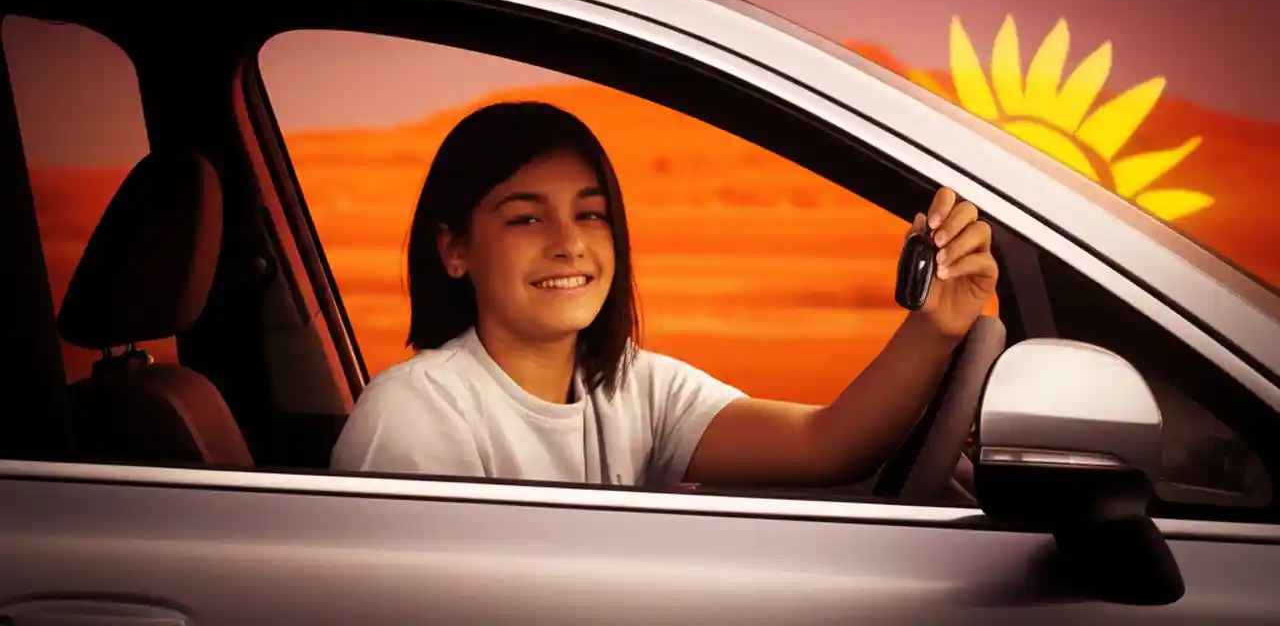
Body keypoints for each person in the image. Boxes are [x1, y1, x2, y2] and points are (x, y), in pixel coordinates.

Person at [330, 101, 998, 489]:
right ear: (455, 250)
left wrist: (935, 326)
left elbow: (828, 445)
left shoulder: (635, 389)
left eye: (590, 214)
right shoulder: (414, 418)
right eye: (526, 217)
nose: (569, 243)